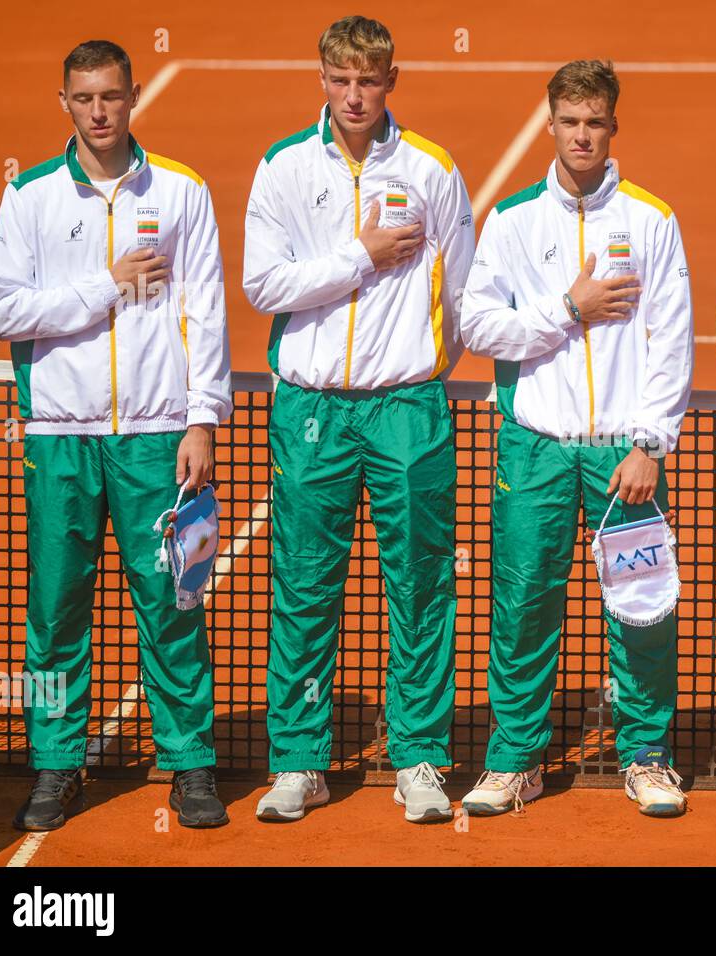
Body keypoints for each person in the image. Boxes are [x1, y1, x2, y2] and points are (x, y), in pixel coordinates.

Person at [0, 40, 232, 830]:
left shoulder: (185, 192)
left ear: (133, 99)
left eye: (112, 97)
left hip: (158, 435)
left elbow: (207, 311)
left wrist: (202, 419)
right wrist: (107, 284)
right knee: (57, 609)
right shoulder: (28, 198)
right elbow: (9, 312)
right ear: (65, 103)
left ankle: (190, 762)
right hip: (61, 434)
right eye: (84, 98)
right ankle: (56, 767)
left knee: (174, 598)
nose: (99, 112)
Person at [242, 16, 473, 824]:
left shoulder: (434, 170)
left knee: (420, 584)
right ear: (322, 79)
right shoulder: (281, 168)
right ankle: (300, 762)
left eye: (368, 81)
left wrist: (413, 361)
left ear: (390, 81)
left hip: (408, 405)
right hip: (309, 408)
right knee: (305, 585)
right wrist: (361, 256)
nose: (353, 95)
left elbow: (461, 293)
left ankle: (417, 757)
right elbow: (263, 286)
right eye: (339, 80)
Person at [459, 60, 694, 817]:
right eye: (570, 121)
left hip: (624, 455)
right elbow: (477, 324)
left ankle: (648, 757)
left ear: (612, 126)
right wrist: (568, 306)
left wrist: (650, 445)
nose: (582, 134)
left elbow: (672, 341)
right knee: (524, 604)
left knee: (641, 608)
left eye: (595, 121)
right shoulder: (513, 221)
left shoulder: (652, 221)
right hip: (535, 449)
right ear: (550, 123)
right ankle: (515, 762)